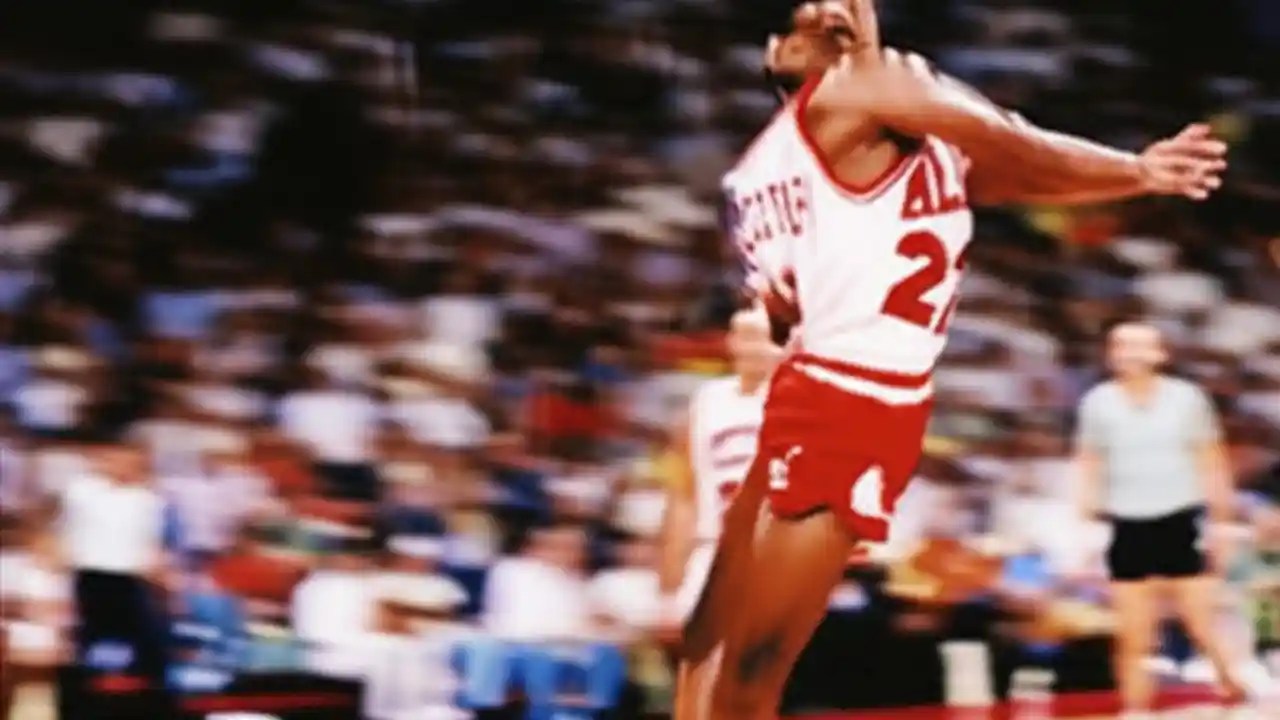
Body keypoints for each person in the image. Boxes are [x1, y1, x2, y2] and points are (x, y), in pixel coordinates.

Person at [690, 1, 1228, 718]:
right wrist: (1137, 169)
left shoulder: (763, 171)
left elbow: (1017, 171)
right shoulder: (864, 87)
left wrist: (1132, 177)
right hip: (855, 400)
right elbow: (1011, 140)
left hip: (819, 388)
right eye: (804, 13)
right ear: (775, 49)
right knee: (753, 663)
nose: (829, 10)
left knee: (716, 640)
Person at [1075, 321, 1249, 716]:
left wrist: (1221, 521)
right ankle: (1135, 709)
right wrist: (1086, 521)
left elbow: (1211, 459)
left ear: (1160, 354)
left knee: (1200, 623)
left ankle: (1231, 685)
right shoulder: (1098, 402)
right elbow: (1090, 462)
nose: (1129, 353)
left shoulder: (1187, 399)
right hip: (1127, 523)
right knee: (1134, 634)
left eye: (1139, 346)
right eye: (1120, 345)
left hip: (1181, 519)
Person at [655, 308, 779, 720]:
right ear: (730, 343)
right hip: (713, 553)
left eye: (766, 338)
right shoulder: (706, 403)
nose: (754, 348)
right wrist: (671, 589)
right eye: (744, 336)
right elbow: (684, 500)